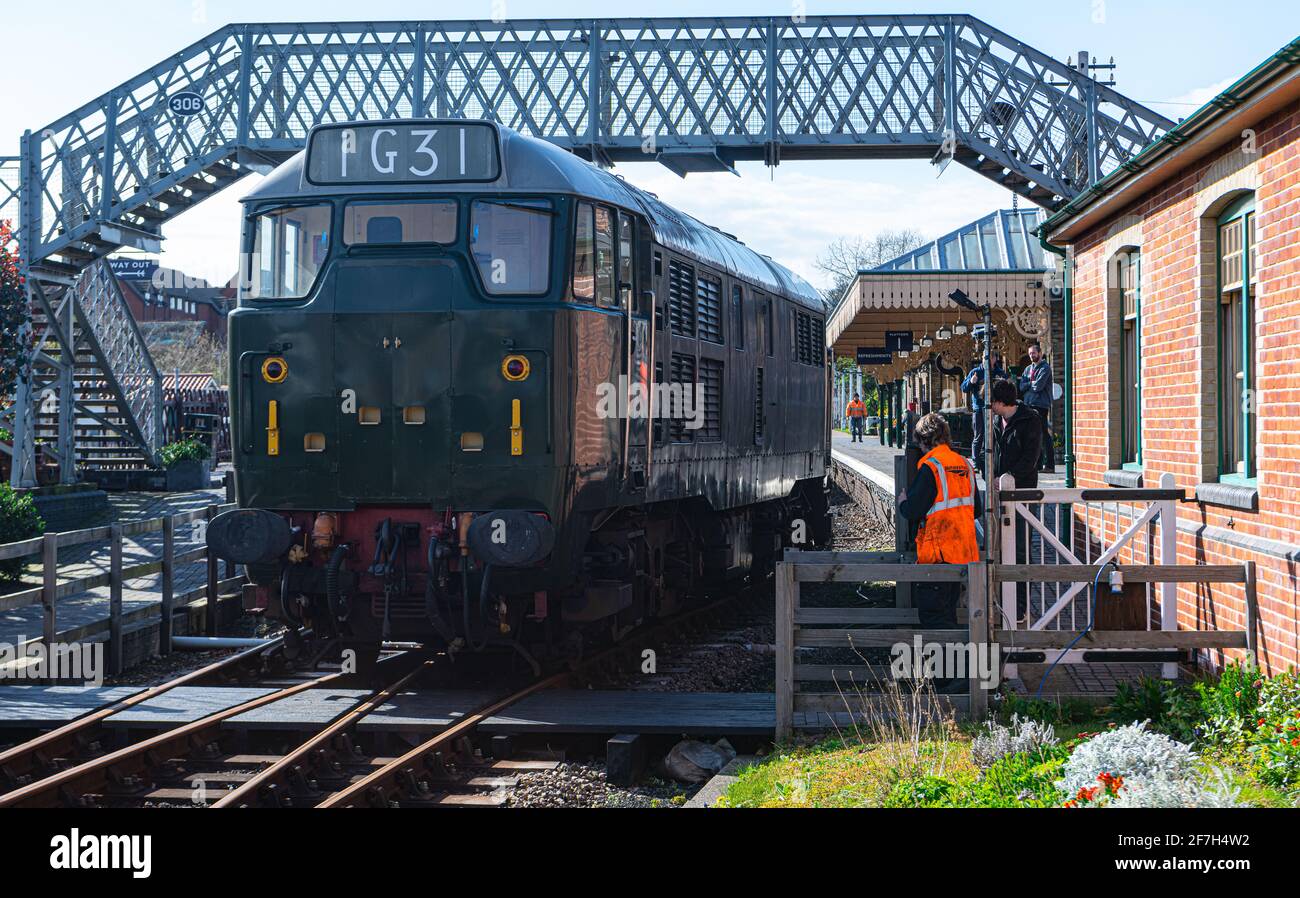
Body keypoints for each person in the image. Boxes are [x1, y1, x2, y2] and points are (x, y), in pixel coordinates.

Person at [896, 413, 982, 632]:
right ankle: (953, 664)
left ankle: (942, 666)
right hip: (963, 553)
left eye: (919, 442)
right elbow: (976, 509)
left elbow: (913, 510)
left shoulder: (931, 467)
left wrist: (903, 502)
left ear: (925, 440)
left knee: (933, 617)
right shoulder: (965, 465)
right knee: (949, 613)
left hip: (938, 554)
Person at [990, 379, 1043, 488]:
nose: (989, 407)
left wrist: (1009, 477)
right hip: (997, 487)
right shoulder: (995, 421)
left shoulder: (1030, 419)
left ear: (1001, 402)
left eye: (992, 402)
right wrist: (991, 476)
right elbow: (984, 450)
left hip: (1022, 487)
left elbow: (1031, 456)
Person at [960, 350, 1005, 476]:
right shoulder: (976, 372)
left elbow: (1008, 384)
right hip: (979, 408)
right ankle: (976, 462)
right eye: (985, 357)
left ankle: (994, 461)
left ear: (994, 359)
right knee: (979, 435)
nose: (987, 360)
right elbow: (963, 388)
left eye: (990, 357)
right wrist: (971, 382)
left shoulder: (998, 372)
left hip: (995, 408)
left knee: (995, 434)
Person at [1018, 341, 1055, 473]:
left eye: (1033, 353)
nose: (1031, 355)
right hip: (1029, 404)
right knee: (1033, 435)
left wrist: (1028, 384)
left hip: (1041, 405)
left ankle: (1050, 465)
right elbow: (1021, 387)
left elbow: (1038, 386)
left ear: (1039, 353)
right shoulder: (1028, 369)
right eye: (1029, 354)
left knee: (1043, 434)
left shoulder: (1045, 368)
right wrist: (1029, 384)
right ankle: (1037, 465)